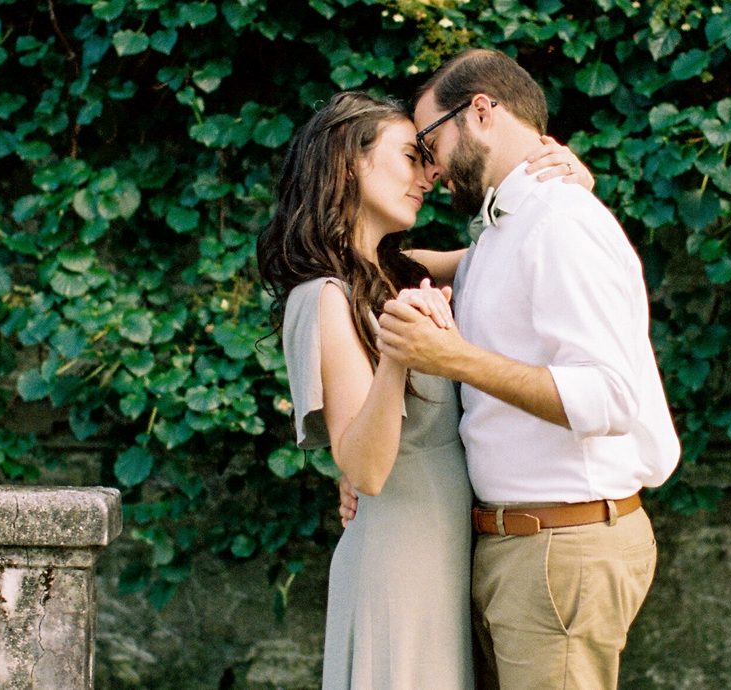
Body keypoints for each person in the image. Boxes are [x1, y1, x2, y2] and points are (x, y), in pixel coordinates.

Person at [256, 91, 594, 690]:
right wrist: (399, 358)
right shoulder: (324, 296)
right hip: (399, 569)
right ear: (348, 163)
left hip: (451, 558)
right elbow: (366, 469)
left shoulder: (400, 272)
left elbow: (521, 247)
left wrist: (566, 187)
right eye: (411, 156)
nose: (430, 174)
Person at [371, 49, 683, 689]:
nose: (428, 165)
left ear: (481, 112)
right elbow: (433, 265)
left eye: (430, 141)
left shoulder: (560, 224)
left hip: (561, 547)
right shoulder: (504, 227)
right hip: (521, 547)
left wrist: (452, 359)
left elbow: (608, 399)